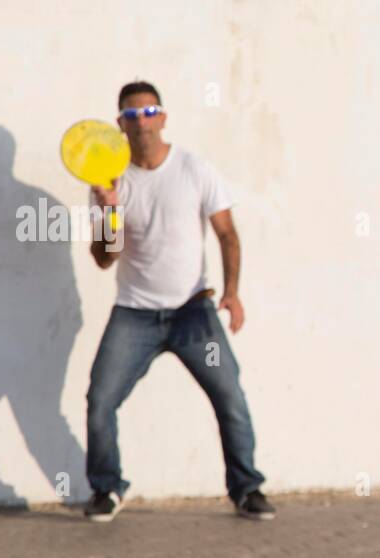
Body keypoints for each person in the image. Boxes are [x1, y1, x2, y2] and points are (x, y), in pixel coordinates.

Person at [83, 81, 275, 523]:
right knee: (100, 400)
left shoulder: (194, 169)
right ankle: (107, 489)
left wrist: (231, 291)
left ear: (164, 118)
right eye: (132, 115)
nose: (142, 122)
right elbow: (103, 259)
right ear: (120, 125)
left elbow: (227, 233)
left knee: (230, 395)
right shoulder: (108, 180)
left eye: (150, 113)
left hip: (194, 312)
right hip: (134, 315)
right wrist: (110, 211)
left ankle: (247, 489)